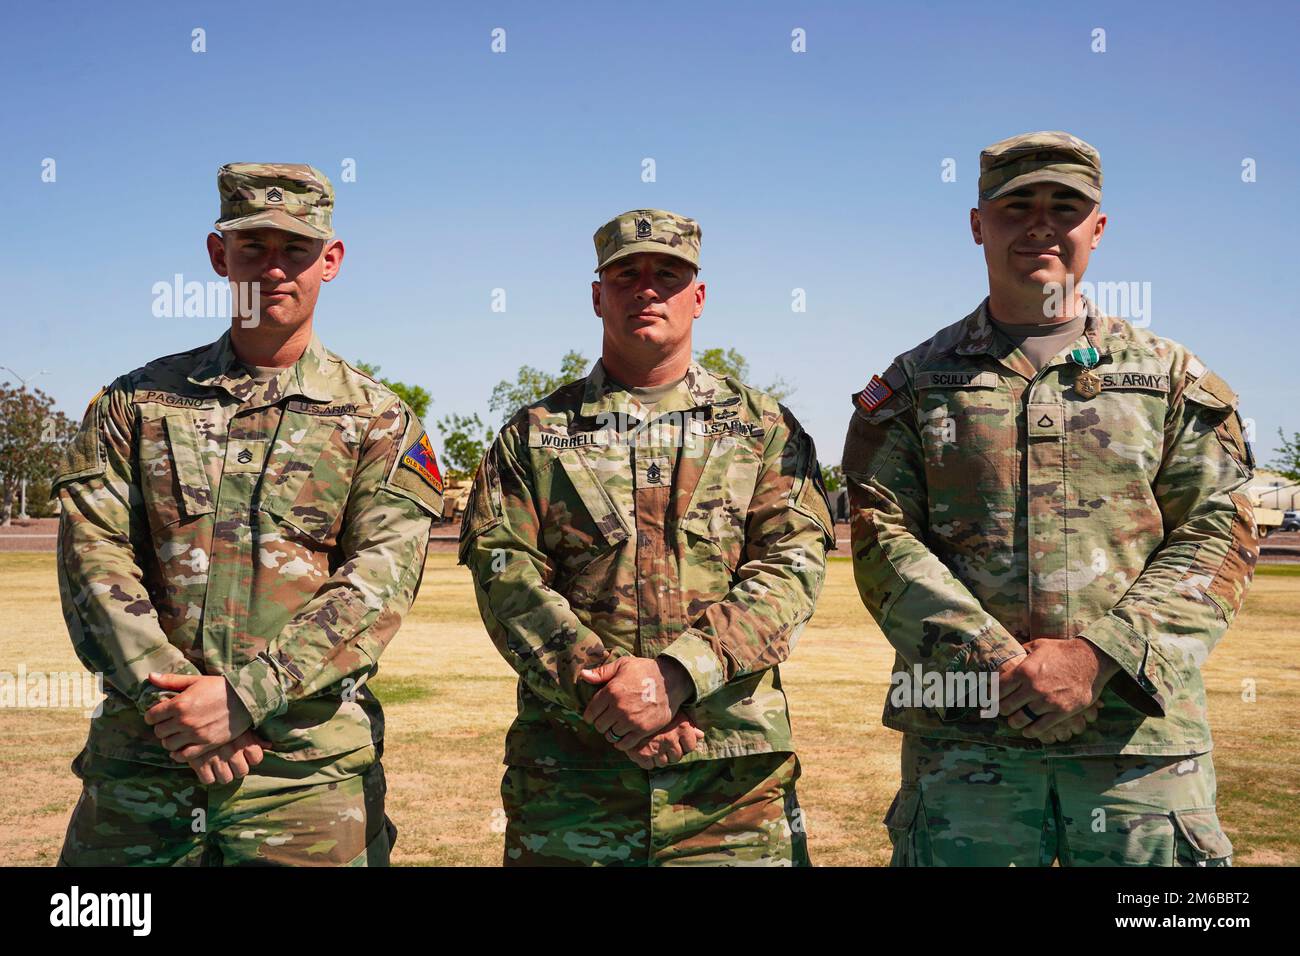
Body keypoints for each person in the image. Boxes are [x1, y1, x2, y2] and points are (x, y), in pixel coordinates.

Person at [842, 132, 1257, 866]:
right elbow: (882, 537)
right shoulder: (913, 384)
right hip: (967, 742)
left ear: (1097, 228)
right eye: (1015, 206)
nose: (1040, 224)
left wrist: (1098, 659)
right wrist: (995, 663)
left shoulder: (1169, 377)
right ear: (978, 225)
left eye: (1064, 207)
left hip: (1138, 751)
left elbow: (1217, 532)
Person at [54, 163, 443, 865]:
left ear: (331, 260)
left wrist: (243, 696)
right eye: (252, 247)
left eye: (295, 250)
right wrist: (170, 699)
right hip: (142, 776)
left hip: (303, 781)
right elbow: (93, 559)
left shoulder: (379, 422)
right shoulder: (134, 404)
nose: (273, 270)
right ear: (217, 255)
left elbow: (378, 585)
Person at [459, 208, 836, 865]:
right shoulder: (534, 434)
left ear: (699, 296)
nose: (648, 287)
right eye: (626, 273)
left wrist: (676, 675)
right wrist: (600, 690)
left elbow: (791, 571)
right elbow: (505, 577)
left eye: (669, 273)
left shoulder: (765, 429)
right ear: (598, 294)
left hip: (730, 785)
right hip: (572, 780)